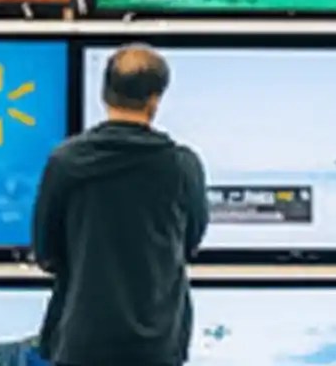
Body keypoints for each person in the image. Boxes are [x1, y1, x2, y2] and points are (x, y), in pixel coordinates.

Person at [32, 43, 209, 366]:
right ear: (155, 98)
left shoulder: (66, 162)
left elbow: (46, 251)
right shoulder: (182, 165)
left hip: (81, 339)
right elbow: (191, 241)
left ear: (105, 93)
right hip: (158, 343)